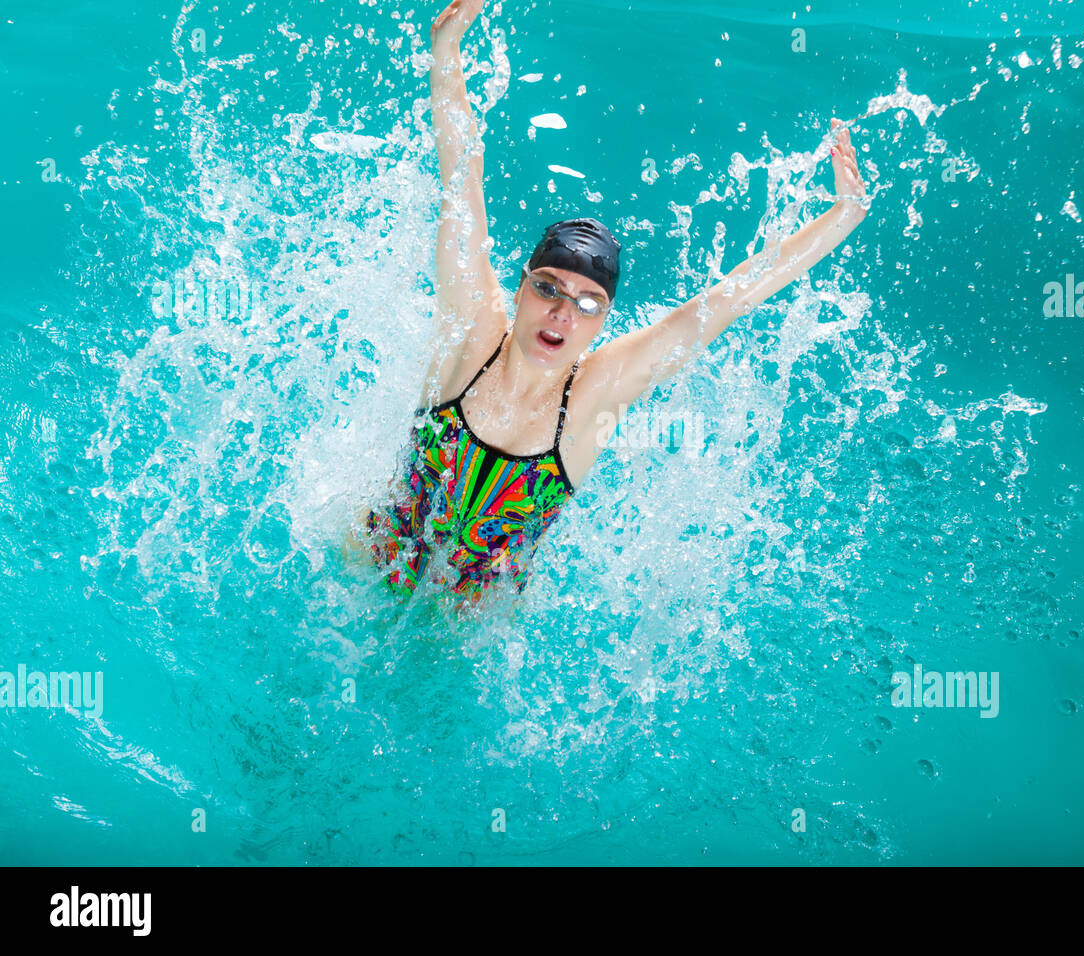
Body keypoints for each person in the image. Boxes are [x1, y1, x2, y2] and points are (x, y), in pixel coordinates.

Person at [356, 0, 868, 607]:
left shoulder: (595, 393)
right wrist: (445, 53)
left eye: (588, 304)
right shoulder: (475, 330)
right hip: (367, 571)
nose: (562, 314)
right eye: (548, 288)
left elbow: (727, 300)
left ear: (603, 321)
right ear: (520, 287)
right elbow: (461, 177)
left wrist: (842, 218)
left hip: (470, 625)